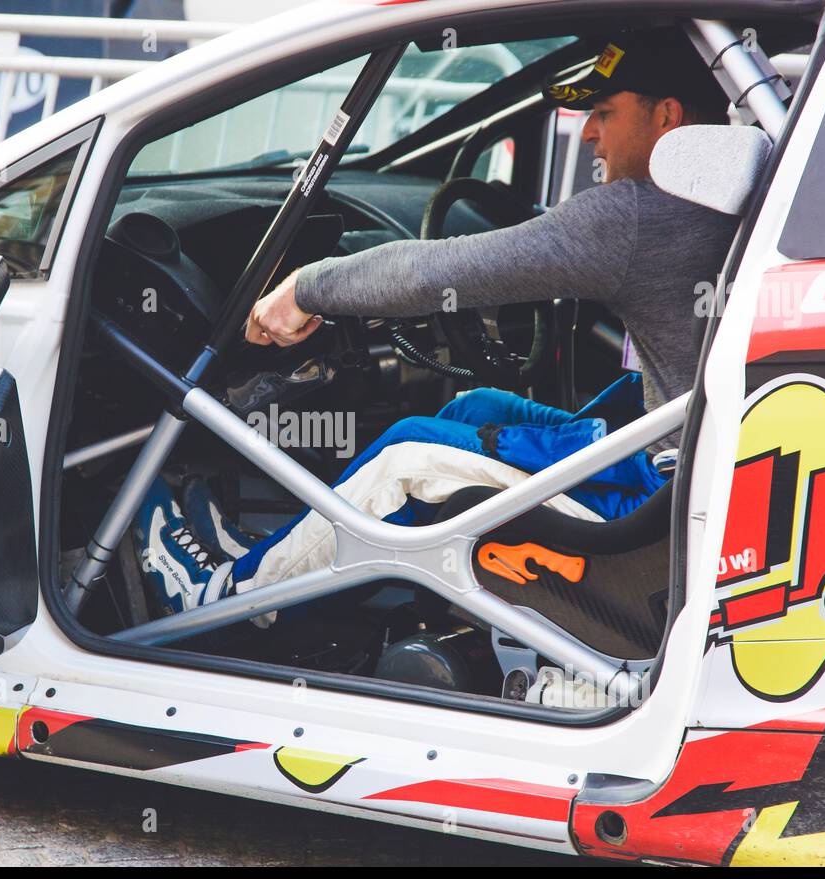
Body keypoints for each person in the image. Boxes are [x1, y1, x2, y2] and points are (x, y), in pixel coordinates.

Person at [135, 28, 741, 618]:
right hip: (680, 468)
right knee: (474, 409)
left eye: (604, 113)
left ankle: (233, 601)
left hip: (650, 505)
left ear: (666, 116)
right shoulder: (728, 202)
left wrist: (305, 289)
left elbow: (438, 273)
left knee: (404, 458)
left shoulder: (639, 216)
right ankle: (271, 560)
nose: (588, 133)